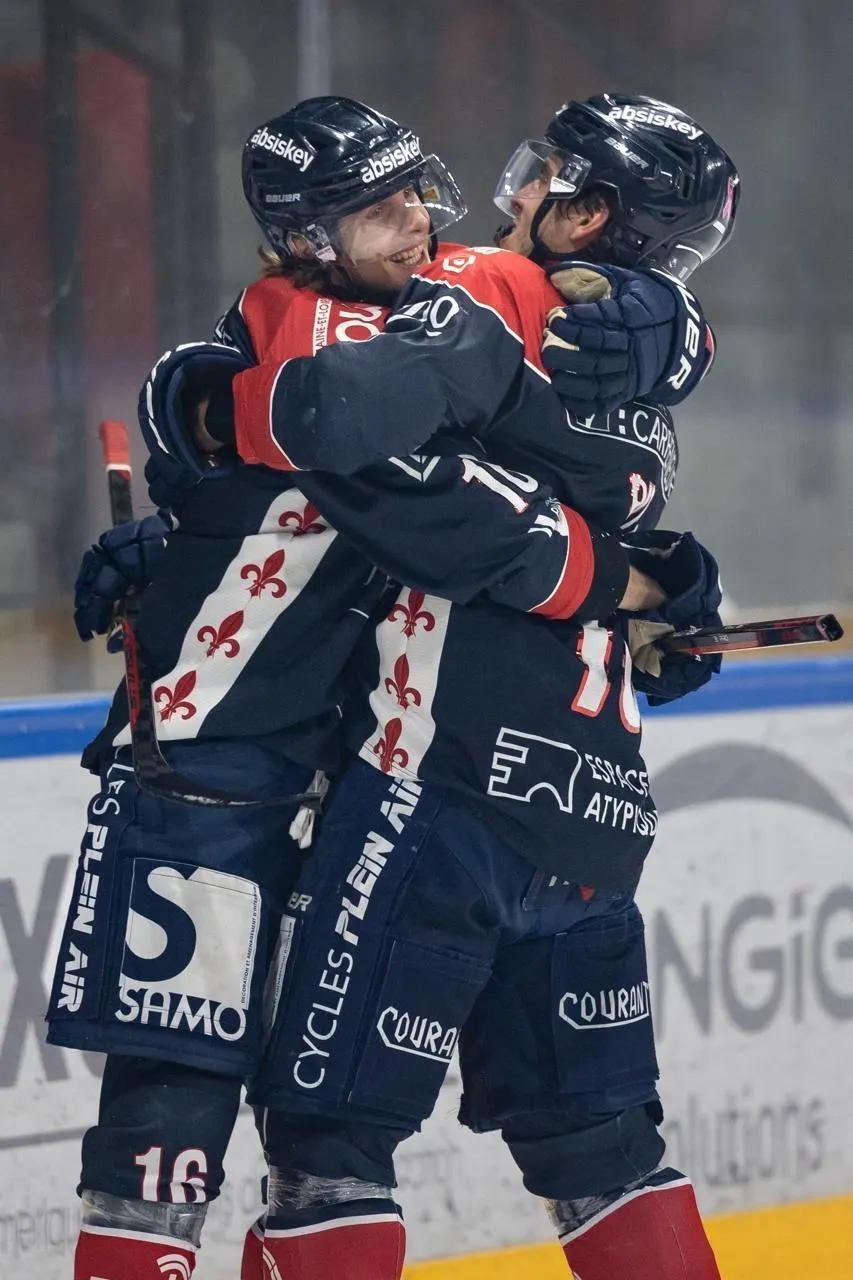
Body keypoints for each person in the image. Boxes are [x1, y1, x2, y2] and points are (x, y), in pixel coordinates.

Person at [49, 98, 677, 1280]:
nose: (418, 218)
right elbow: (350, 420)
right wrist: (619, 563)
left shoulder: (420, 300)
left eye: (414, 186)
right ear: (302, 235)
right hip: (207, 764)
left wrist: (657, 321)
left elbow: (546, 334)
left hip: (330, 770)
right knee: (169, 1126)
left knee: (319, 1145)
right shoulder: (327, 327)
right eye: (376, 205)